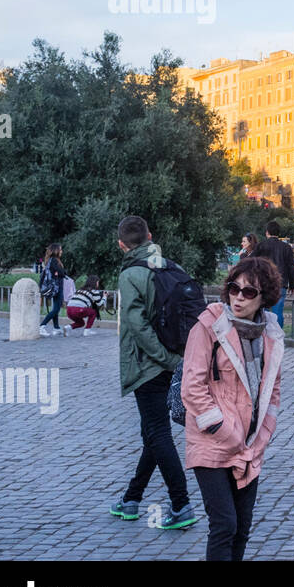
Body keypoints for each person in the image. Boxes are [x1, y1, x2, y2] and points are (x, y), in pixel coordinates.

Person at [180, 256, 284, 560]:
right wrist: (223, 430)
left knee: (242, 528)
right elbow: (193, 387)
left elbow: (272, 392)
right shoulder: (208, 326)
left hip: (249, 445)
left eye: (249, 292)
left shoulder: (271, 335)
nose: (238, 297)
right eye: (233, 288)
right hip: (212, 440)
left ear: (264, 297)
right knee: (224, 524)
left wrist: (262, 434)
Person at [109, 216, 198, 528]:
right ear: (149, 235)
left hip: (148, 366)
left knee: (157, 433)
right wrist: (175, 359)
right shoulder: (171, 266)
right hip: (173, 357)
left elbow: (137, 326)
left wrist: (163, 359)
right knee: (152, 432)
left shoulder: (131, 273)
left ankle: (181, 504)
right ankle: (131, 498)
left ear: (122, 245)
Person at [255, 221, 294, 327]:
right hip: (280, 284)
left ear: (267, 232)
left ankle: (264, 337)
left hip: (264, 283)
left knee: (263, 312)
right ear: (279, 233)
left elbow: (252, 262)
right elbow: (291, 267)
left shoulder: (261, 246)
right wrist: (292, 285)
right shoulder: (286, 248)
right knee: (278, 313)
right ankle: (277, 338)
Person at [39, 243, 66, 336]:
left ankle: (56, 327)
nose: (62, 251)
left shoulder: (50, 260)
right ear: (56, 251)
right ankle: (42, 326)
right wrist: (61, 272)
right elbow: (62, 273)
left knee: (56, 308)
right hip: (57, 287)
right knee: (56, 309)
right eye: (60, 249)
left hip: (55, 287)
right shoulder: (54, 261)